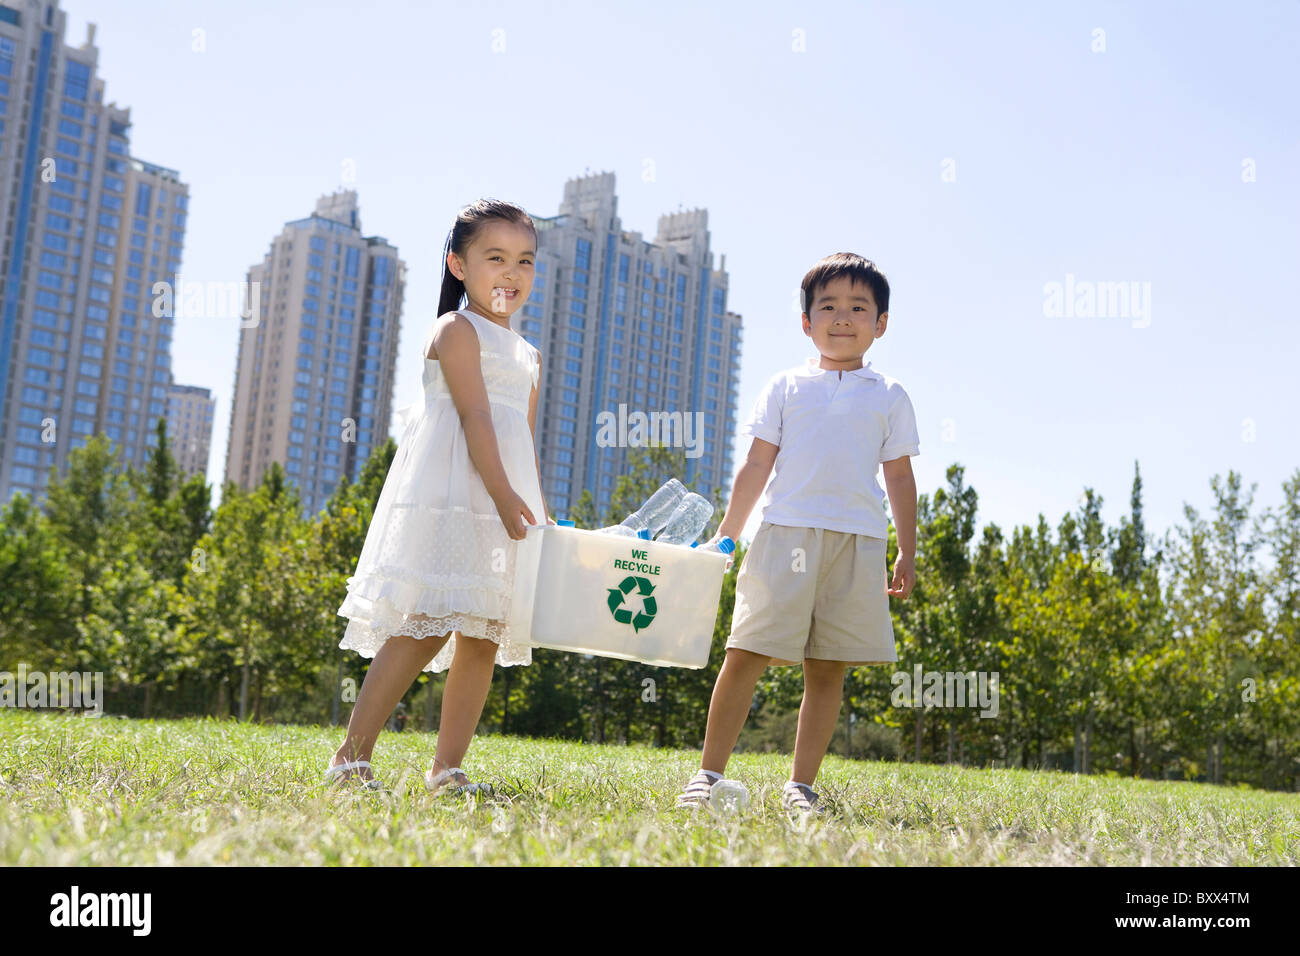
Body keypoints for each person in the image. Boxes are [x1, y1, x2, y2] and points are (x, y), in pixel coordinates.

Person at [676, 253, 920, 815]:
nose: (842, 317)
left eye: (858, 307)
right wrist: (729, 532)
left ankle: (800, 787)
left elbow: (900, 475)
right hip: (783, 536)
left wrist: (907, 549)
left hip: (858, 542)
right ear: (806, 321)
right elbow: (757, 465)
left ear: (880, 323)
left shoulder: (890, 395)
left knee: (828, 666)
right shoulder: (785, 386)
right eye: (827, 306)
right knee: (744, 652)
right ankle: (708, 775)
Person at [325, 198, 553, 795]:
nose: (511, 273)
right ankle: (351, 757)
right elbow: (475, 418)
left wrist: (537, 510)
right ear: (458, 264)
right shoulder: (456, 330)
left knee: (483, 632)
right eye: (495, 257)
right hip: (456, 494)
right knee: (423, 624)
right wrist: (503, 495)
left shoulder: (529, 356)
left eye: (524, 261)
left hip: (505, 501)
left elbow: (521, 438)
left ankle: (447, 769)